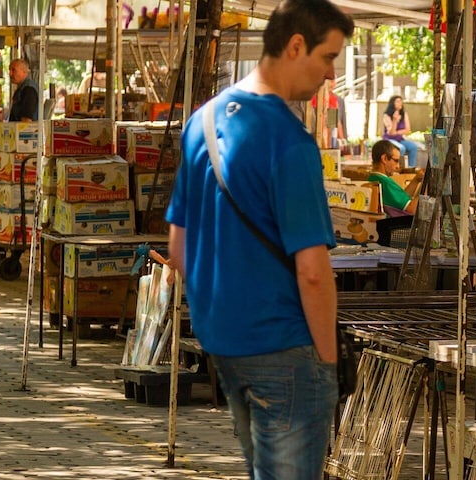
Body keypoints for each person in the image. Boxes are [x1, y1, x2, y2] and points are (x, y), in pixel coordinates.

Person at [165, 0, 351, 475]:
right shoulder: (289, 141)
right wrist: (327, 365)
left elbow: (177, 250)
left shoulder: (201, 124)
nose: (331, 74)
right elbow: (313, 273)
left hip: (225, 346)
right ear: (295, 47)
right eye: (328, 57)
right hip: (286, 348)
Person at [366, 140, 418, 243]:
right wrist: (426, 188)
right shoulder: (385, 182)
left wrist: (416, 180)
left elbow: (403, 198)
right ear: (384, 158)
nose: (398, 166)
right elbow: (412, 208)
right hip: (393, 233)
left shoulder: (372, 178)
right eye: (396, 161)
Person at [380, 95, 420, 167]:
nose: (400, 103)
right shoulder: (387, 115)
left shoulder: (404, 114)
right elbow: (391, 133)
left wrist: (397, 132)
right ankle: (397, 167)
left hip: (400, 139)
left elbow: (407, 130)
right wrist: (395, 120)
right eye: (398, 101)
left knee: (413, 147)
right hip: (389, 139)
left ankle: (411, 168)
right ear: (392, 103)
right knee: (401, 148)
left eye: (401, 101)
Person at [8, 58, 41, 122]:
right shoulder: (22, 88)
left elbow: (26, 119)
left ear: (24, 71)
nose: (10, 74)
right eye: (9, 70)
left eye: (13, 70)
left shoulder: (29, 89)